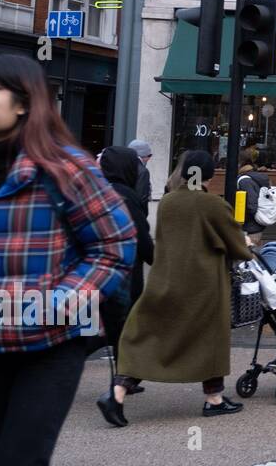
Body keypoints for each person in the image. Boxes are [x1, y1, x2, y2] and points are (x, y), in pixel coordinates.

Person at [0, 55, 135, 466]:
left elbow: (115, 244)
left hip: (51, 342)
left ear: (23, 102)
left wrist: (60, 302)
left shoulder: (65, 167)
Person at [100, 150, 250, 427]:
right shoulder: (213, 205)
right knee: (210, 339)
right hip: (203, 285)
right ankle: (214, 398)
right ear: (209, 174)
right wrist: (246, 247)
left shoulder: (168, 202)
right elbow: (236, 246)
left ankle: (117, 393)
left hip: (165, 281)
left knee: (154, 338)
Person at [96, 146, 155, 371]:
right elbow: (141, 235)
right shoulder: (126, 196)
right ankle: (125, 377)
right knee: (122, 324)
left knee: (111, 325)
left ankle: (125, 376)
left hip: (97, 270)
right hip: (125, 271)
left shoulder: (97, 192)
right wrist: (156, 260)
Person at [235, 148, 272, 246]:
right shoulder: (253, 176)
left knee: (249, 256)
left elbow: (252, 205)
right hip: (254, 227)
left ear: (239, 162)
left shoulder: (244, 180)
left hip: (249, 227)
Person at [128, 138, 154, 206]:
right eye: (149, 155)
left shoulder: (122, 167)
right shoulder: (143, 172)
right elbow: (141, 198)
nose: (149, 158)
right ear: (142, 155)